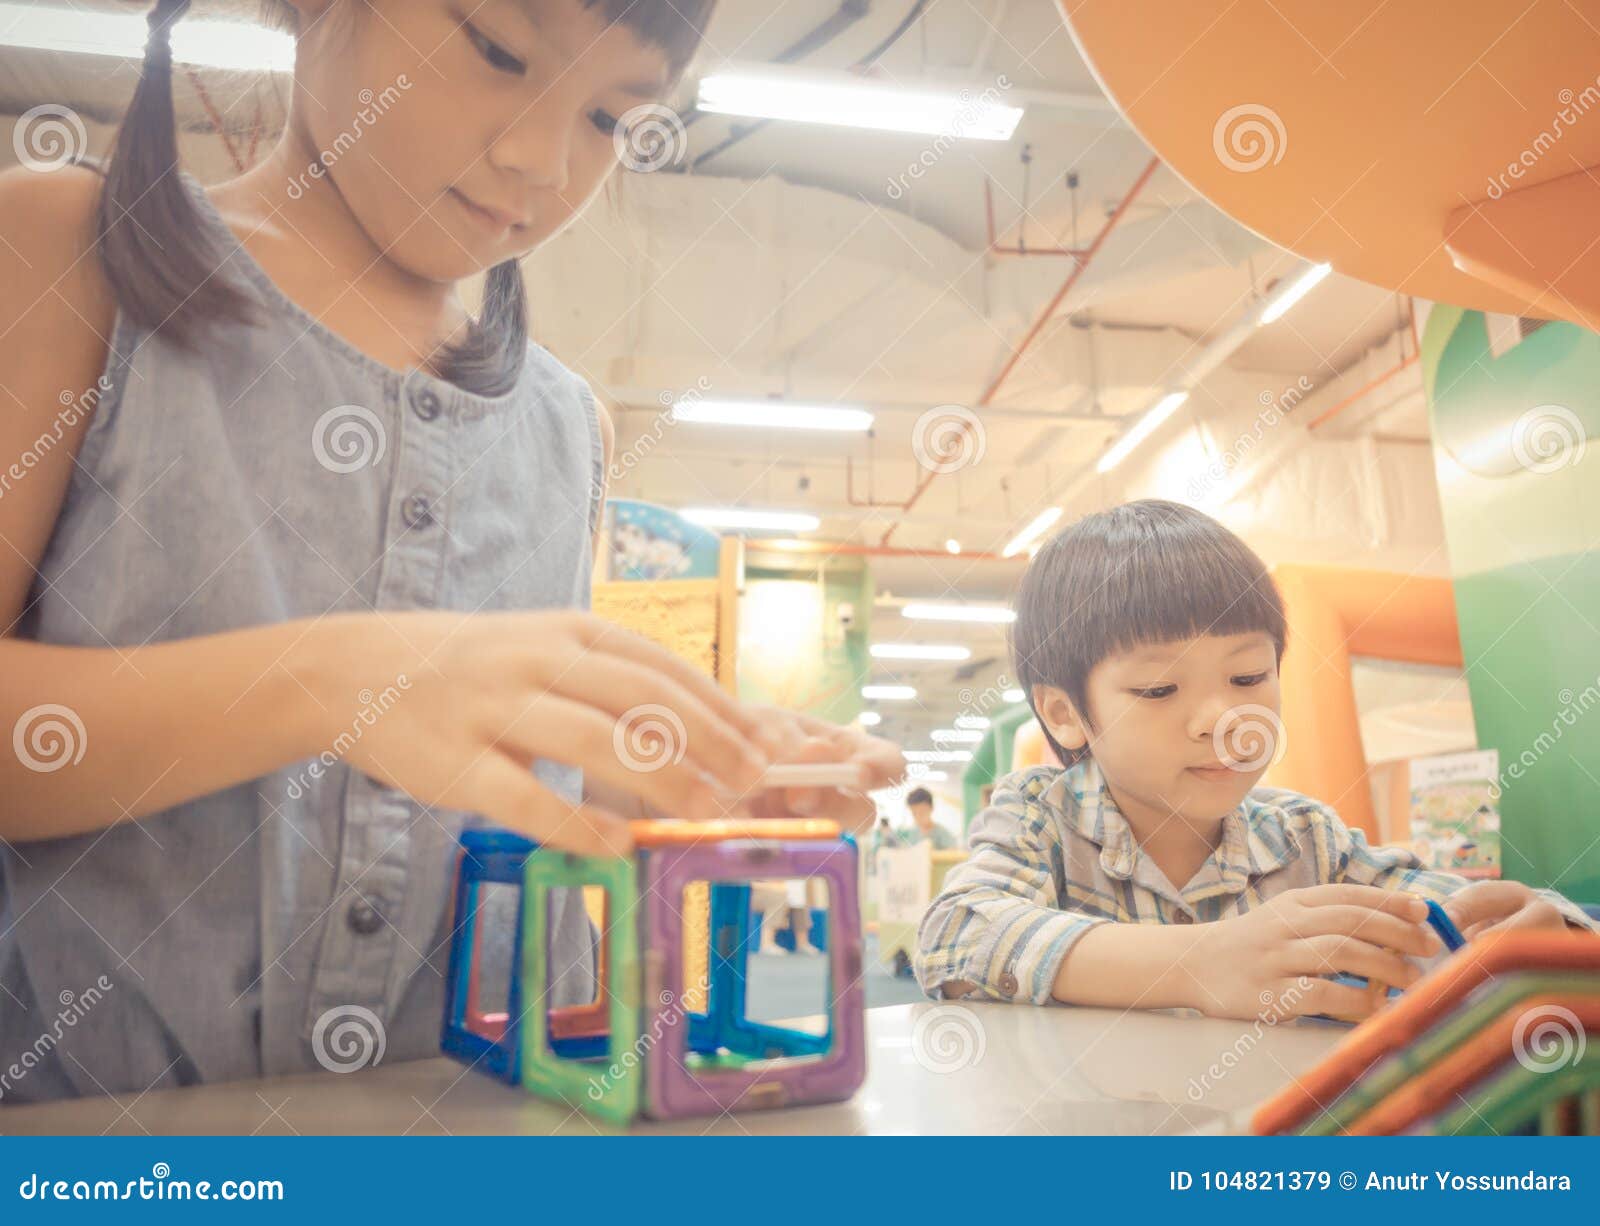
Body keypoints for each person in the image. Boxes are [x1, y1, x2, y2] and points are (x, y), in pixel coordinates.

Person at [0, 0, 901, 1103]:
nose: (537, 157)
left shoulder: (570, 426)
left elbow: (515, 786)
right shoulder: (65, 253)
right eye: (495, 51)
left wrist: (699, 782)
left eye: (611, 118)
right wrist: (338, 682)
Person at [916, 499, 1596, 1021]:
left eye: (1248, 678)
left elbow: (1440, 909)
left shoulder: (1306, 838)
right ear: (1064, 713)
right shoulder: (1042, 818)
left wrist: (1540, 933)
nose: (1226, 718)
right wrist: (1196, 964)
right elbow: (954, 936)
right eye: (1159, 689)